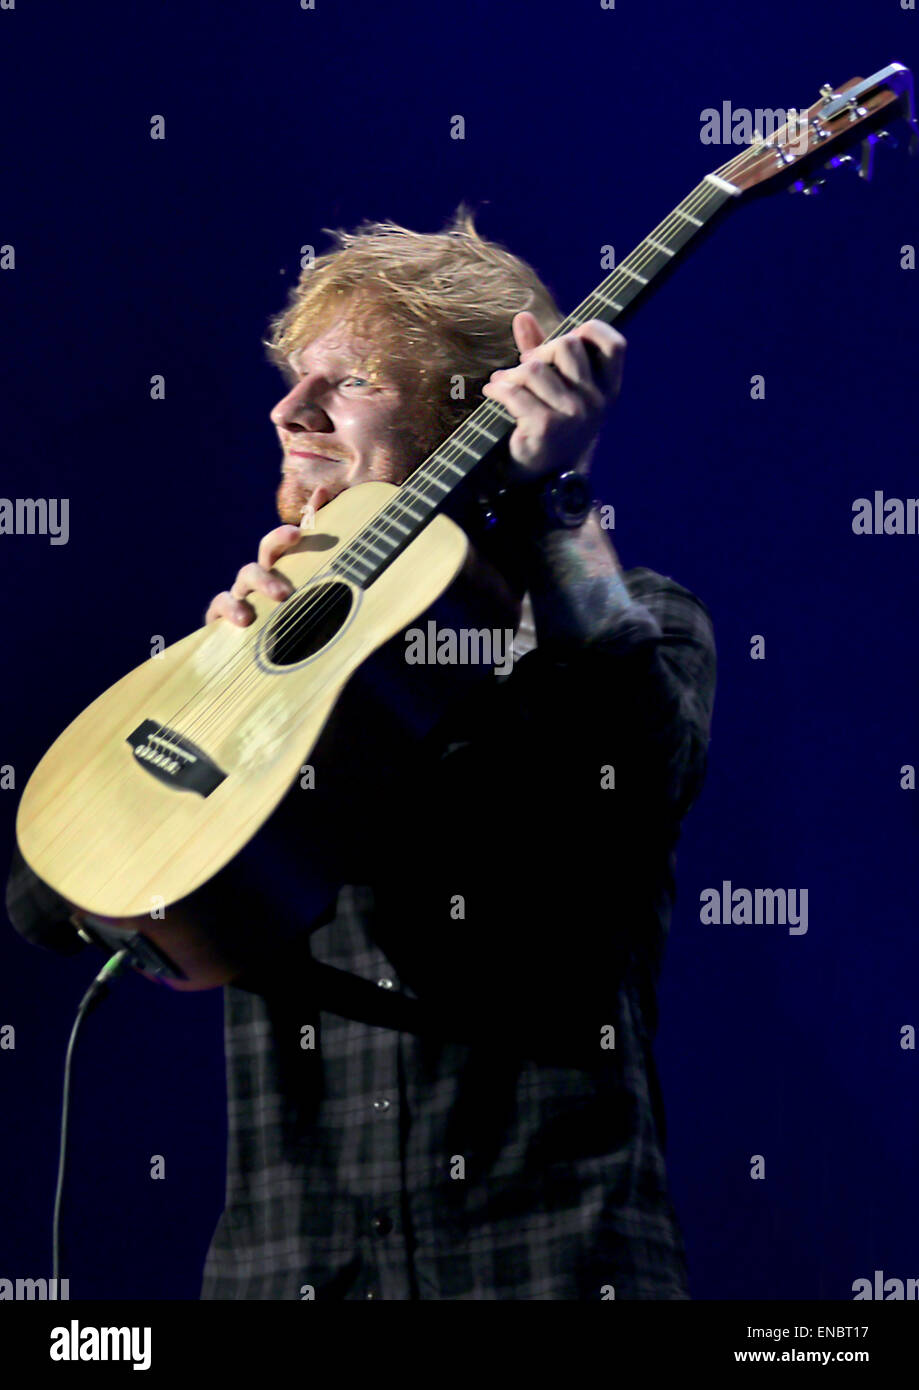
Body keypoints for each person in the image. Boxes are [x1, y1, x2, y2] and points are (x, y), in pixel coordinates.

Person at [6, 208, 717, 1300]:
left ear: (476, 408)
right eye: (295, 378)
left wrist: (556, 506)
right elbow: (47, 905)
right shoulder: (258, 628)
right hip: (295, 1268)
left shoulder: (629, 622)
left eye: (351, 383)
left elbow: (632, 784)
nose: (292, 410)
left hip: (544, 1265)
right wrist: (221, 700)